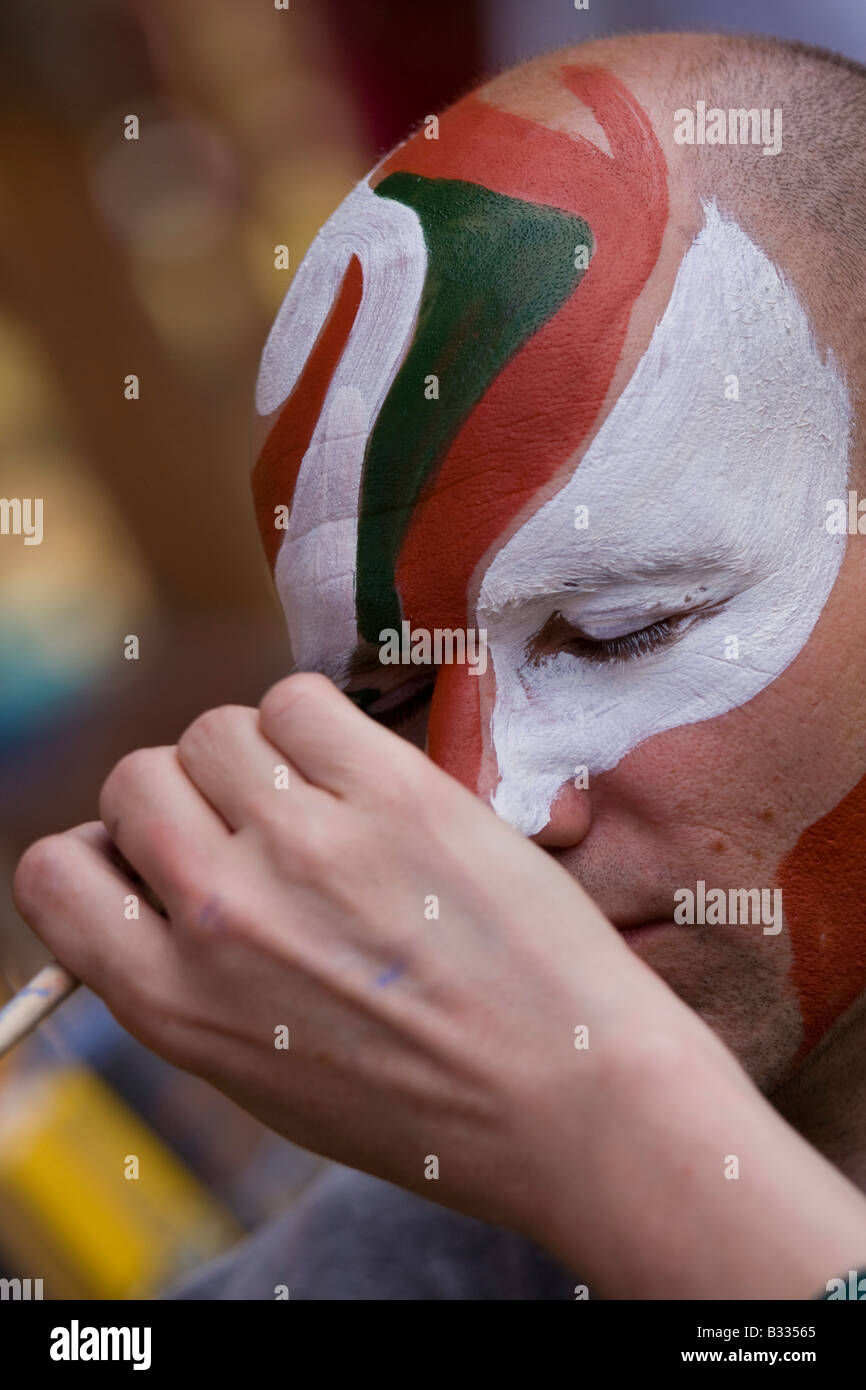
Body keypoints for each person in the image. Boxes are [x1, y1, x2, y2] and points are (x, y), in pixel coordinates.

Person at [13, 31, 866, 1300]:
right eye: (392, 704)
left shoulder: (577, 1138)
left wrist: (610, 1136)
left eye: (622, 625)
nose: (482, 811)